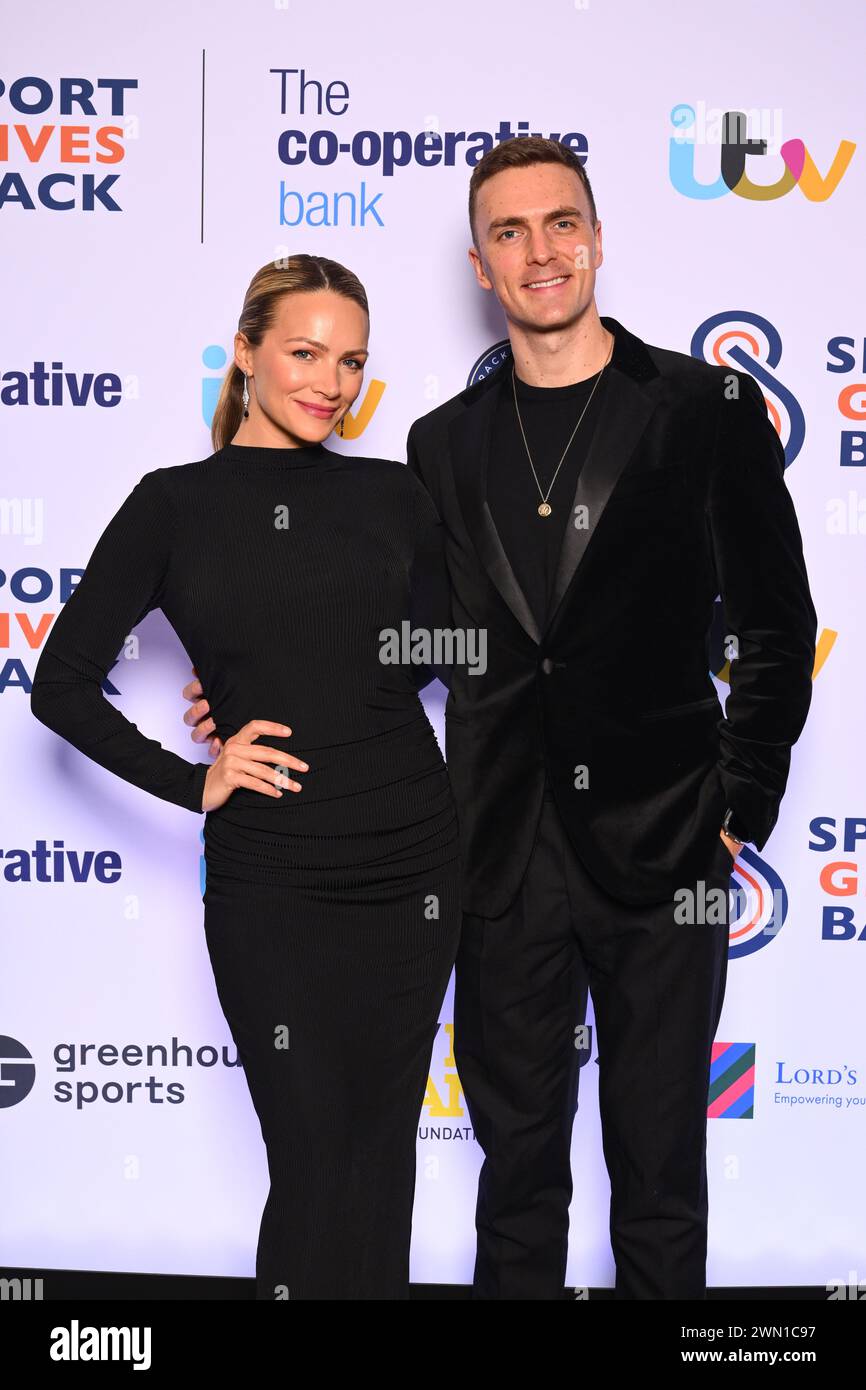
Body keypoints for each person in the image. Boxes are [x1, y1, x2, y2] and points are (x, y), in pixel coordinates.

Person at [186, 139, 817, 1300]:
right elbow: (418, 633)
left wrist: (739, 803)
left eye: (560, 223)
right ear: (478, 262)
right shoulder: (440, 444)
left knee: (659, 1166)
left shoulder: (700, 406)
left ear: (594, 236)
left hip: (664, 843)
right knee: (513, 1171)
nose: (541, 252)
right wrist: (254, 675)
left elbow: (777, 624)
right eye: (511, 232)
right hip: (496, 852)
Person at [30, 254, 462, 1301]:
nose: (330, 380)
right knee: (312, 1155)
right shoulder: (173, 506)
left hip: (411, 861)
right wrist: (197, 776)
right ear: (246, 350)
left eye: (350, 360)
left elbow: (454, 650)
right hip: (273, 878)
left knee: (380, 1155)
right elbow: (63, 686)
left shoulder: (394, 493)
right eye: (305, 352)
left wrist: (311, 665)